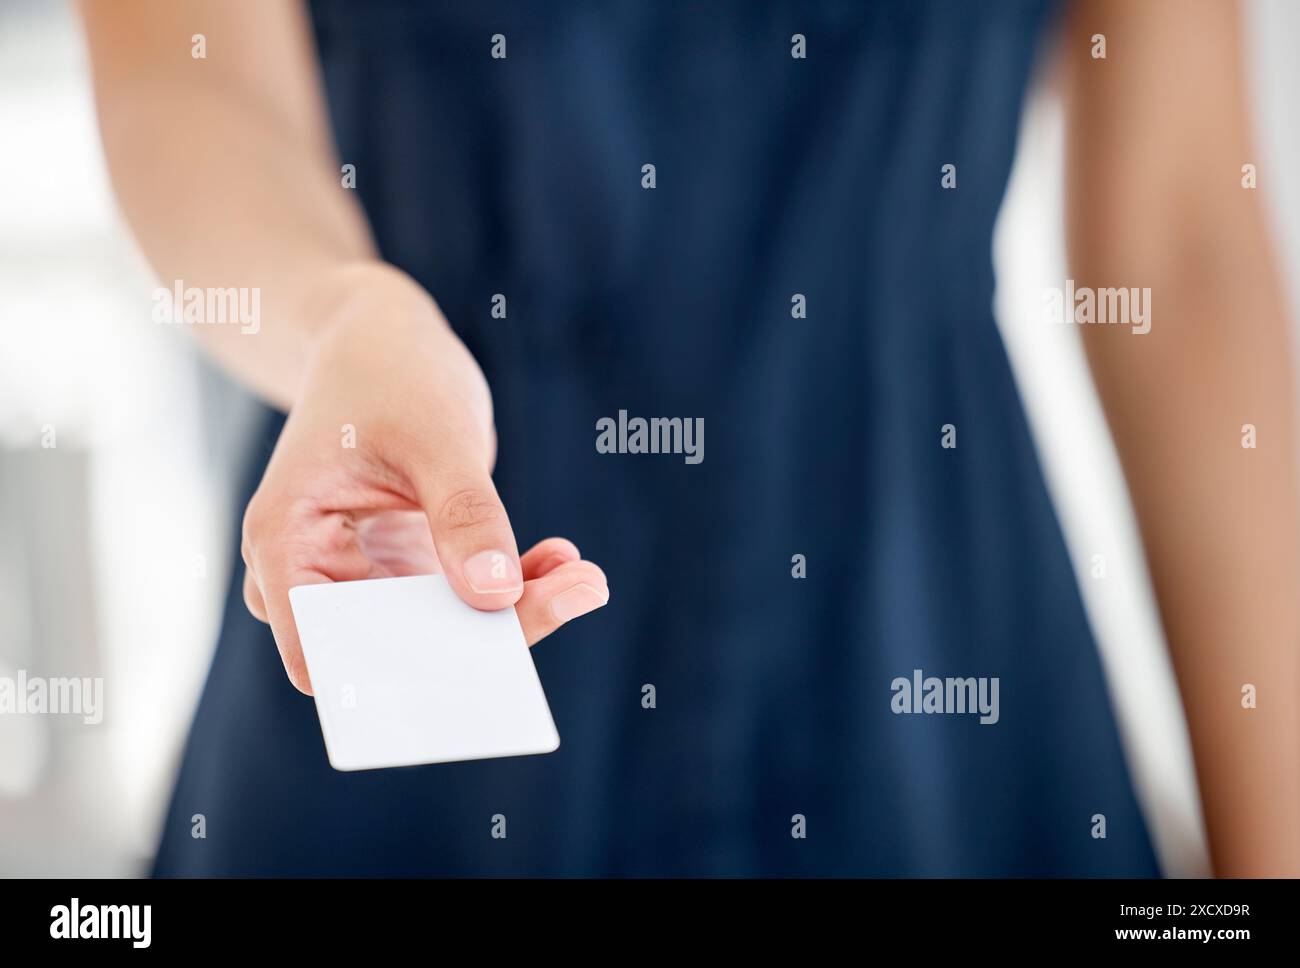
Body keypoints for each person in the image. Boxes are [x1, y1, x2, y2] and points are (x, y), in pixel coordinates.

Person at [79, 0, 1300, 876]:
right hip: (421, 591)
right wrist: (343, 315)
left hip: (927, 655)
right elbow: (189, 79)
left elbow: (1183, 248)